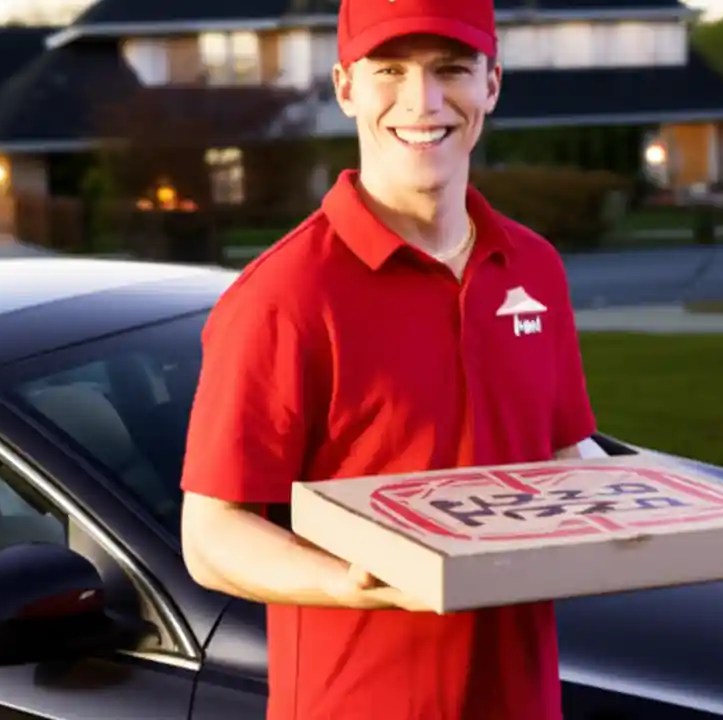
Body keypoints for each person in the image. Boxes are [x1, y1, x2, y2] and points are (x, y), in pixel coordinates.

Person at [178, 0, 598, 718]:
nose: (422, 101)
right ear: (346, 87)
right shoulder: (285, 294)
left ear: (491, 84)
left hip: (521, 698)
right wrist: (347, 580)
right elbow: (211, 535)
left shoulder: (533, 267)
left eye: (451, 70)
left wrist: (662, 516)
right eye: (391, 70)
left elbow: (564, 454)